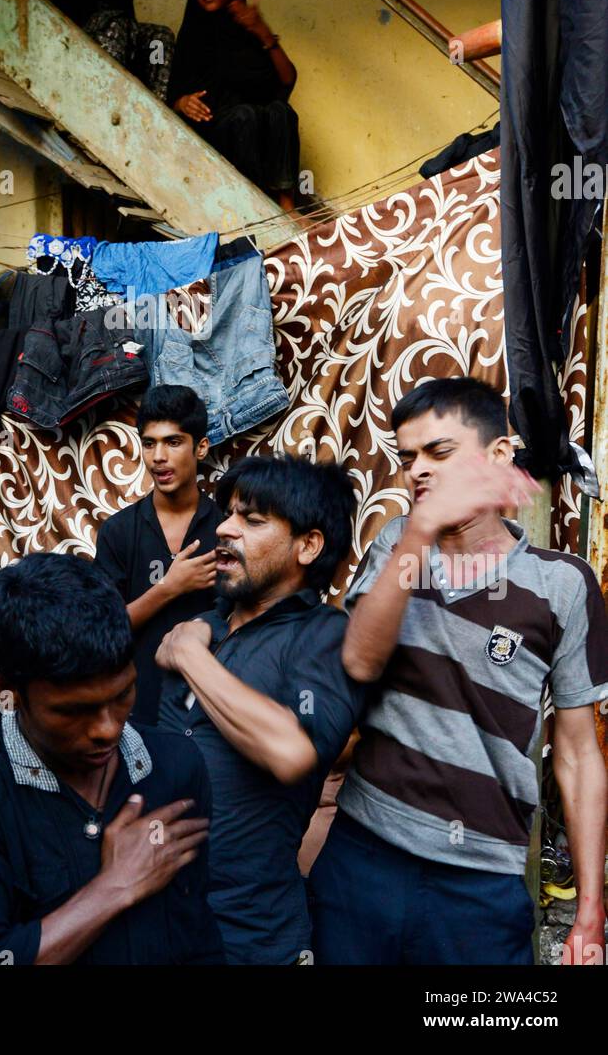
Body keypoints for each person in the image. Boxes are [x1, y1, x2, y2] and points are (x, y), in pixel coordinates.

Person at [310, 377, 608, 966]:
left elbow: (576, 753)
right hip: (365, 856)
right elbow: (359, 660)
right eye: (408, 457)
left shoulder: (563, 584)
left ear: (498, 456)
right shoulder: (397, 544)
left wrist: (591, 908)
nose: (418, 469)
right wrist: (419, 532)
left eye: (439, 453)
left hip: (482, 881)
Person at [0, 553, 223, 965]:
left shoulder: (177, 765)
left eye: (121, 696)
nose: (107, 729)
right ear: (5, 688)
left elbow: (197, 934)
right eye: (72, 711)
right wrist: (113, 888)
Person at [157, 455, 366, 965]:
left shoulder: (325, 637)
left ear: (308, 545)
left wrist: (188, 654)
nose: (225, 529)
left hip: (247, 932)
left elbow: (291, 751)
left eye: (252, 520)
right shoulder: (210, 622)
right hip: (156, 916)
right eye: (229, 514)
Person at [94, 385, 222, 725]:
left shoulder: (227, 529)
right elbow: (103, 630)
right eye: (149, 443)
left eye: (173, 442)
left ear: (201, 448)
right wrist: (170, 587)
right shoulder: (119, 531)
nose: (158, 457)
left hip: (211, 711)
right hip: (136, 712)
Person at [167, 0, 300, 208]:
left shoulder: (248, 28)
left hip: (255, 126)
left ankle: (286, 204)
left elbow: (287, 80)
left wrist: (261, 31)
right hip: (213, 130)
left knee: (281, 111)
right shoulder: (191, 35)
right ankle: (256, 202)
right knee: (244, 116)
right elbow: (171, 95)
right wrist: (182, 102)